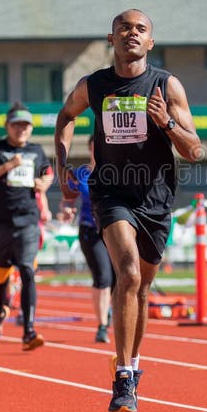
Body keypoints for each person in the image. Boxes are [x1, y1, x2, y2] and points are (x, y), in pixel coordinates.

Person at [55, 8, 202, 412]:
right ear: (111, 38)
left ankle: (133, 366)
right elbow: (66, 116)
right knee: (128, 272)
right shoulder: (95, 85)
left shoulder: (166, 85)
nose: (131, 34)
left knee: (141, 288)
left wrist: (167, 122)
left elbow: (195, 149)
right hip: (110, 193)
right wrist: (62, 164)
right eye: (124, 28)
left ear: (150, 42)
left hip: (155, 198)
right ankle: (122, 375)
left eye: (140, 29)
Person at [0, 102, 53, 351]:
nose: (21, 129)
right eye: (16, 124)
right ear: (7, 126)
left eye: (26, 125)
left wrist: (44, 184)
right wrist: (7, 166)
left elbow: (48, 173)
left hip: (28, 219)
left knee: (28, 270)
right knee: (0, 278)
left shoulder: (37, 150)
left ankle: (29, 330)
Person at [67, 134, 115, 344]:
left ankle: (109, 311)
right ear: (89, 149)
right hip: (90, 231)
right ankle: (102, 327)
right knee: (103, 277)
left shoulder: (116, 173)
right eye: (95, 147)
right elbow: (67, 200)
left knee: (118, 279)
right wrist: (66, 210)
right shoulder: (81, 173)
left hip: (114, 231)